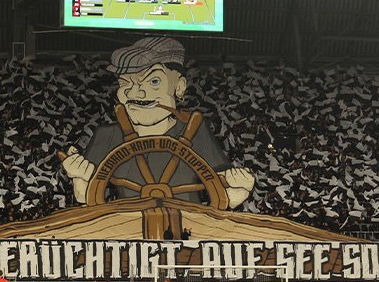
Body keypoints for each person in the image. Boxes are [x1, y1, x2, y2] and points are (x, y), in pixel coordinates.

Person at [60, 37, 255, 209]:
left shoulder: (196, 133)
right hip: (129, 232)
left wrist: (239, 189)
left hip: (189, 228)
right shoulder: (107, 135)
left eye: (153, 82)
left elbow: (221, 194)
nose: (136, 92)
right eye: (125, 83)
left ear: (179, 87)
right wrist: (80, 178)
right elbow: (86, 196)